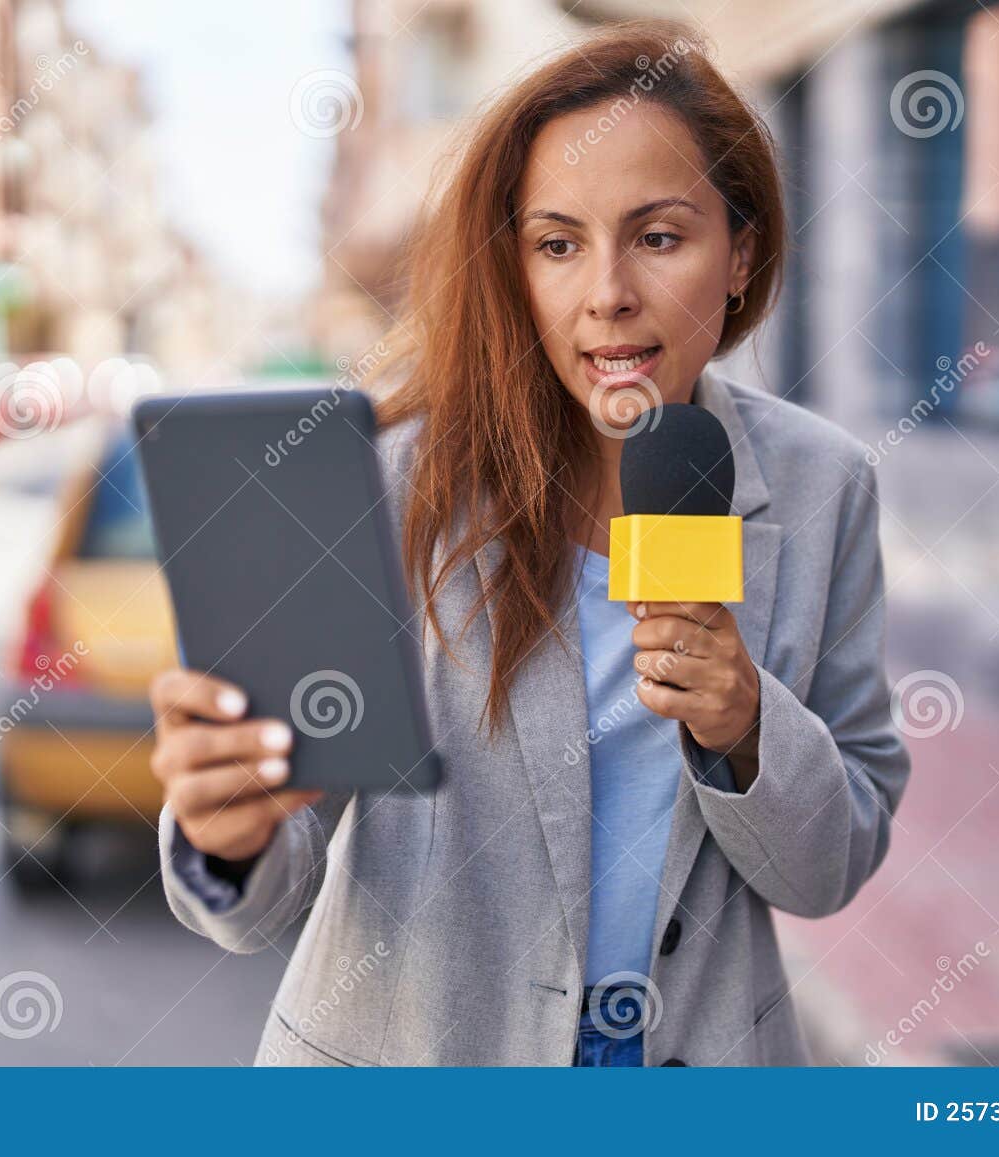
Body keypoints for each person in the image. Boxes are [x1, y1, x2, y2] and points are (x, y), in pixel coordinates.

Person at [148, 19, 910, 1066]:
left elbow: (831, 861)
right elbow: (259, 894)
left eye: (657, 236)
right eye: (557, 244)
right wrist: (223, 834)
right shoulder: (386, 483)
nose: (606, 292)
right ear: (515, 270)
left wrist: (745, 723)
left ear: (739, 254)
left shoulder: (826, 487)